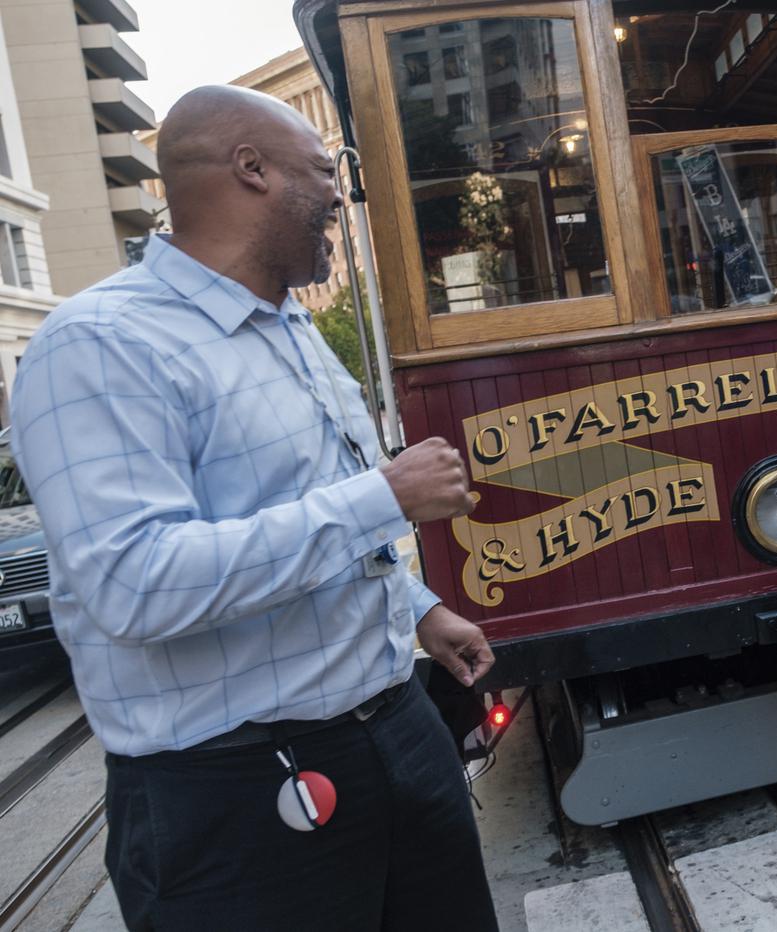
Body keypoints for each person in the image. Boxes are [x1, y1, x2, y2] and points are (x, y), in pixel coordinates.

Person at [11, 86, 499, 931]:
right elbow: (133, 585)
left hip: (395, 732)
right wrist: (381, 497)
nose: (338, 202)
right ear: (252, 170)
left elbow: (290, 505)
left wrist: (416, 611)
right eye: (323, 174)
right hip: (235, 800)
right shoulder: (98, 343)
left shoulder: (291, 329)